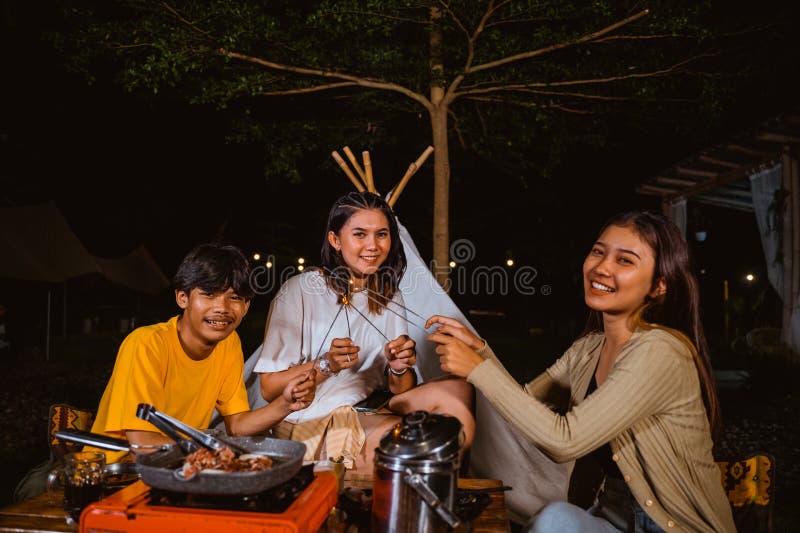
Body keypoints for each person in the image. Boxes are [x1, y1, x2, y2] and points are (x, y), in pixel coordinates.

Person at [427, 211, 735, 533]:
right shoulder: (589, 349)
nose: (602, 267)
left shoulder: (660, 351)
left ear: (659, 286)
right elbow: (521, 407)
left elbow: (565, 441)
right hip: (613, 518)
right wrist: (480, 351)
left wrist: (478, 369)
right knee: (554, 519)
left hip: (672, 527)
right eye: (598, 252)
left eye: (625, 260)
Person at [254, 191, 474, 470]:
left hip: (369, 406)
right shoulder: (300, 290)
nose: (373, 245)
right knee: (419, 446)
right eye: (360, 234)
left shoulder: (388, 295)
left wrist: (398, 367)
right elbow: (269, 389)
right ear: (335, 240)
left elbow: (401, 389)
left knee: (459, 391)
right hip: (312, 417)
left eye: (381, 234)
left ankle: (441, 484)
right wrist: (326, 365)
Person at [90, 243, 316, 462]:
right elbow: (143, 445)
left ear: (246, 306)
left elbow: (237, 425)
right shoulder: (147, 344)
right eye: (209, 294)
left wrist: (285, 404)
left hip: (180, 466)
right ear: (183, 298)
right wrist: (213, 450)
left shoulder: (228, 343)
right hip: (116, 471)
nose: (222, 308)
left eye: (234, 297)